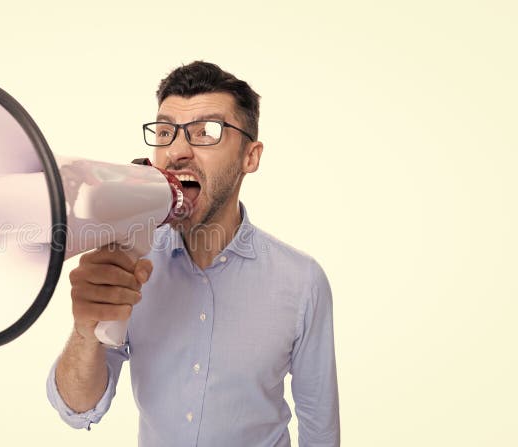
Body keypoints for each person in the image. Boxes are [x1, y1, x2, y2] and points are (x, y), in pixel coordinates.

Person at [46, 61, 340, 446]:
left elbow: (320, 430)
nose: (178, 151)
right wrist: (87, 331)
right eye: (165, 132)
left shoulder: (302, 282)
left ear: (250, 157)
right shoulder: (131, 260)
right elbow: (79, 409)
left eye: (206, 132)